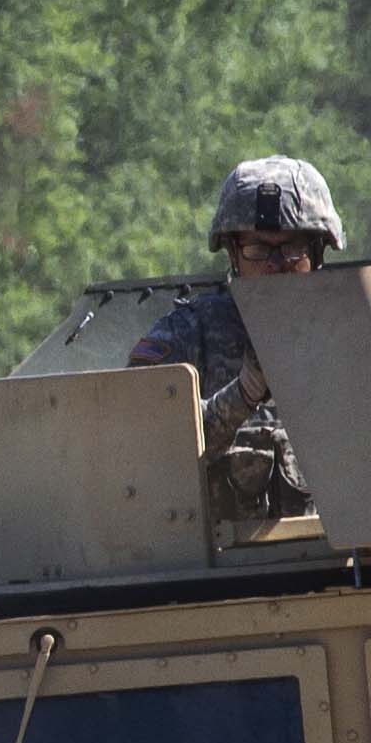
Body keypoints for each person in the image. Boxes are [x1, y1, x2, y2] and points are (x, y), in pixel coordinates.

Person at [133, 154, 343, 514]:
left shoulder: (351, 333)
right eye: (258, 249)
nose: (275, 265)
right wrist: (243, 393)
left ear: (316, 250)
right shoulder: (188, 333)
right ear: (233, 253)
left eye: (291, 248)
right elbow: (141, 456)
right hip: (228, 564)